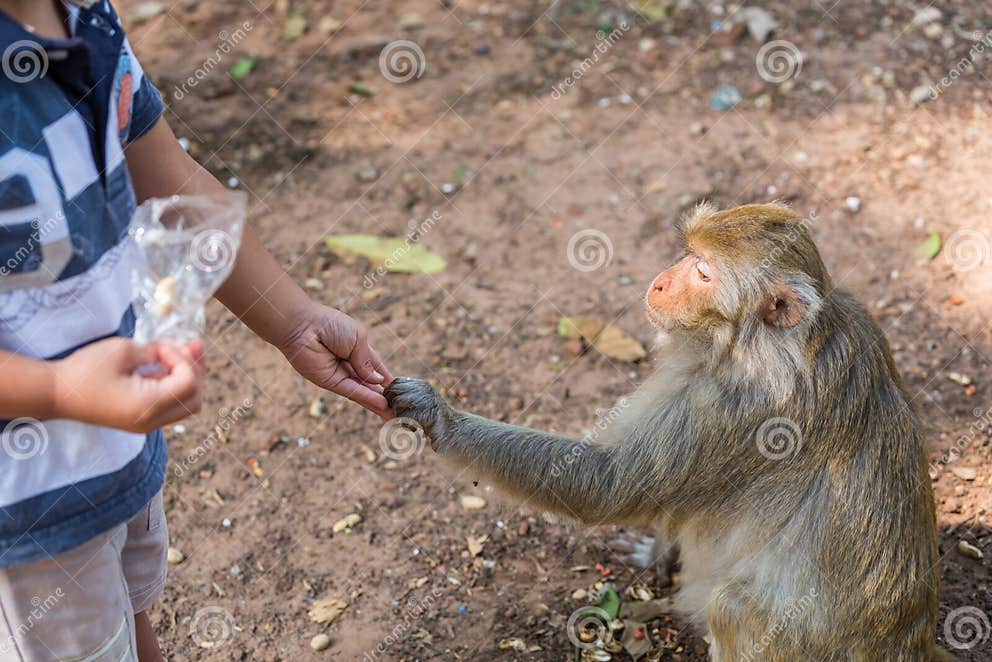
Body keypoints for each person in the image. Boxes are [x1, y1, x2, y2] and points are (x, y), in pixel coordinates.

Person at [0, 1, 392, 659]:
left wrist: (292, 319)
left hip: (121, 450)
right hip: (29, 510)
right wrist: (60, 390)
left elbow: (169, 183)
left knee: (132, 613)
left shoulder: (85, 17)